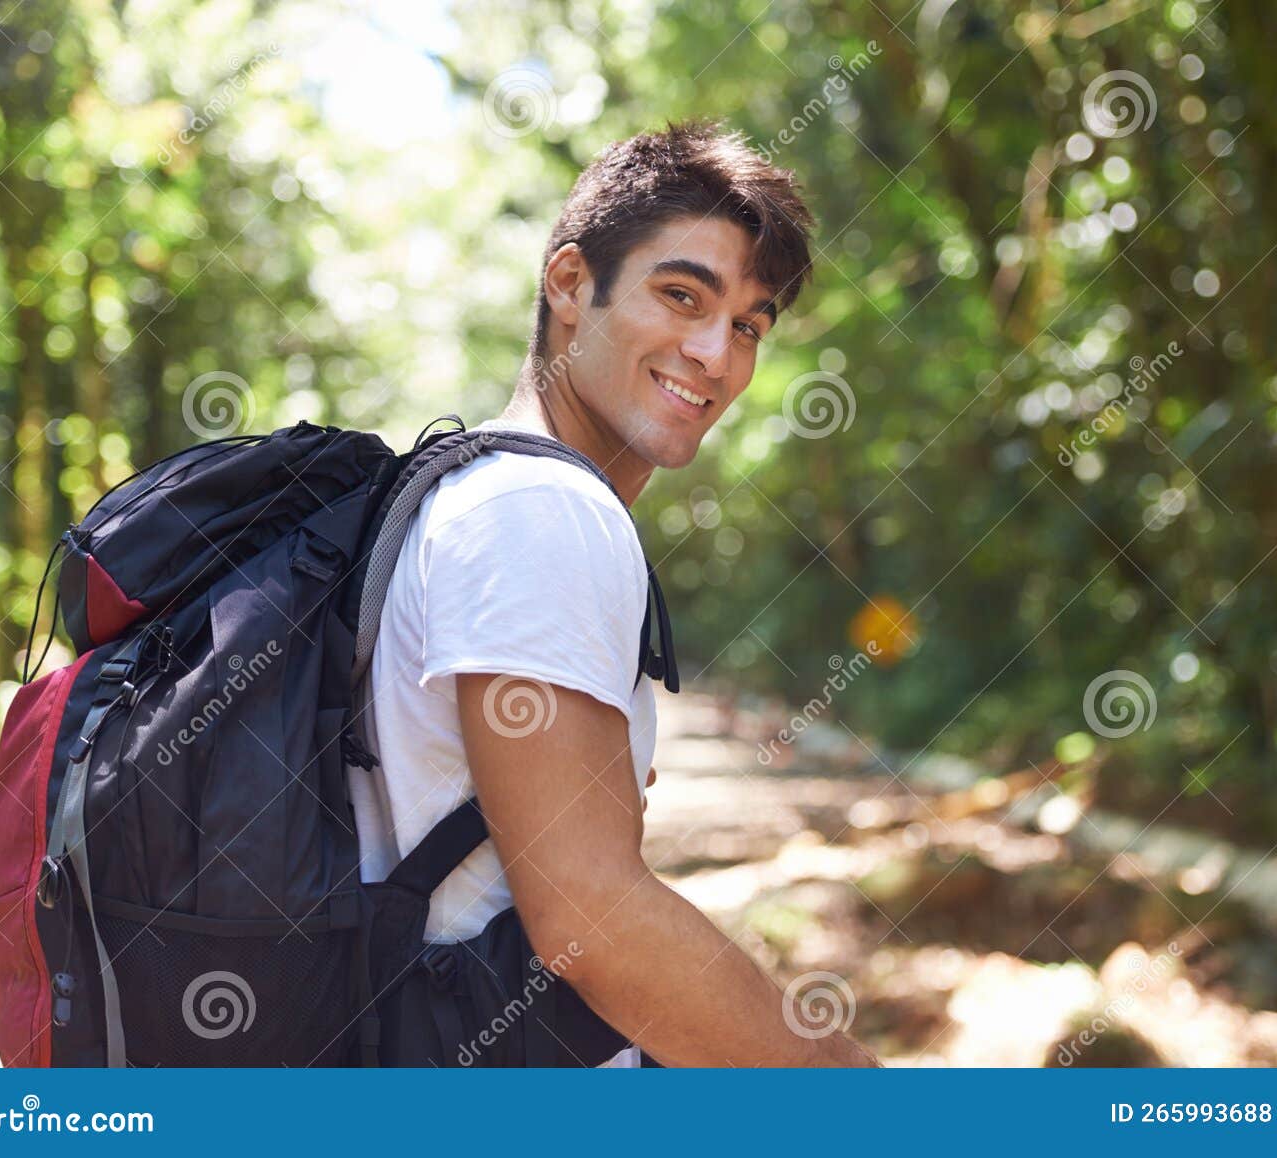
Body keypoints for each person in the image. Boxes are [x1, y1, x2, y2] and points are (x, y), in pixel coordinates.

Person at [348, 121, 879, 1067]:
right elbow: (592, 920)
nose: (716, 352)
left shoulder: (462, 486)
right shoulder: (541, 509)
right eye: (682, 295)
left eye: (749, 324)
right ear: (568, 284)